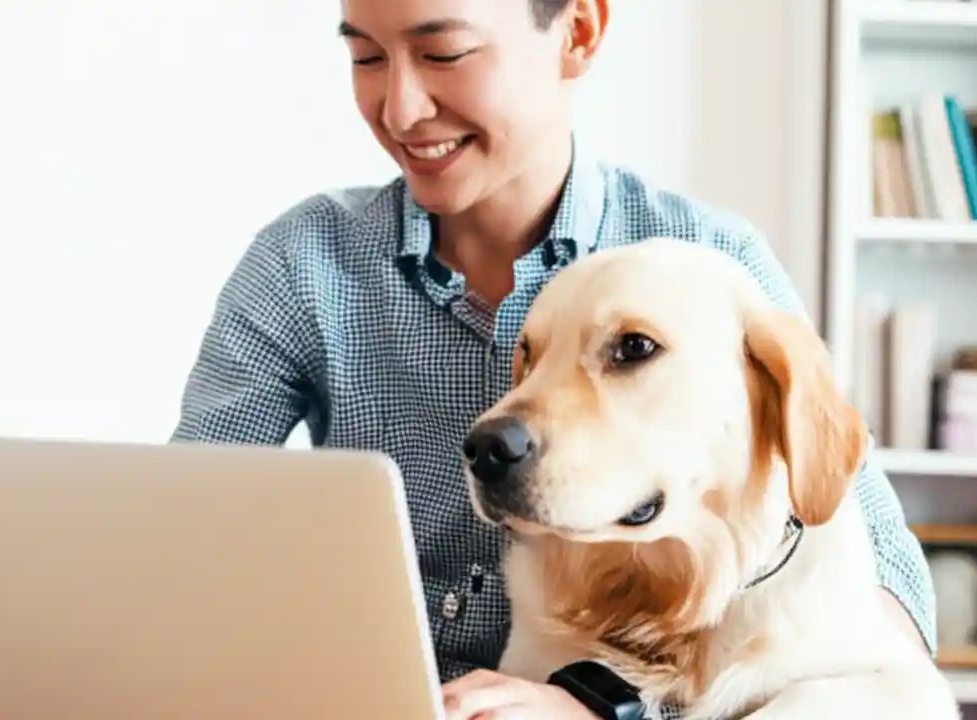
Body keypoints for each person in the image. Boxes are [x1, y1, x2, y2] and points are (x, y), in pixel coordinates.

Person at [170, 0, 937, 717]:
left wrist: (603, 708)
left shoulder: (708, 267)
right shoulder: (303, 264)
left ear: (578, 33)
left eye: (445, 53)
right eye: (367, 58)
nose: (399, 109)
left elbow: (873, 574)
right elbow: (183, 535)